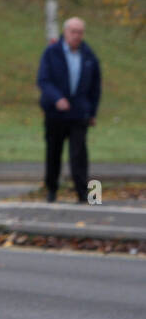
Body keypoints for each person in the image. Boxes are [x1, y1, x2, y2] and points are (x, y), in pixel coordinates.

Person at [36, 17, 101, 203]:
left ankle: (83, 193)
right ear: (65, 32)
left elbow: (95, 87)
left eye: (79, 32)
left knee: (79, 154)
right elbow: (43, 80)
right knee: (53, 152)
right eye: (73, 31)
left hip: (79, 113)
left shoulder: (89, 56)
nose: (76, 36)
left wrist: (92, 112)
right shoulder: (51, 53)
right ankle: (52, 190)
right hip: (56, 113)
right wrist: (57, 99)